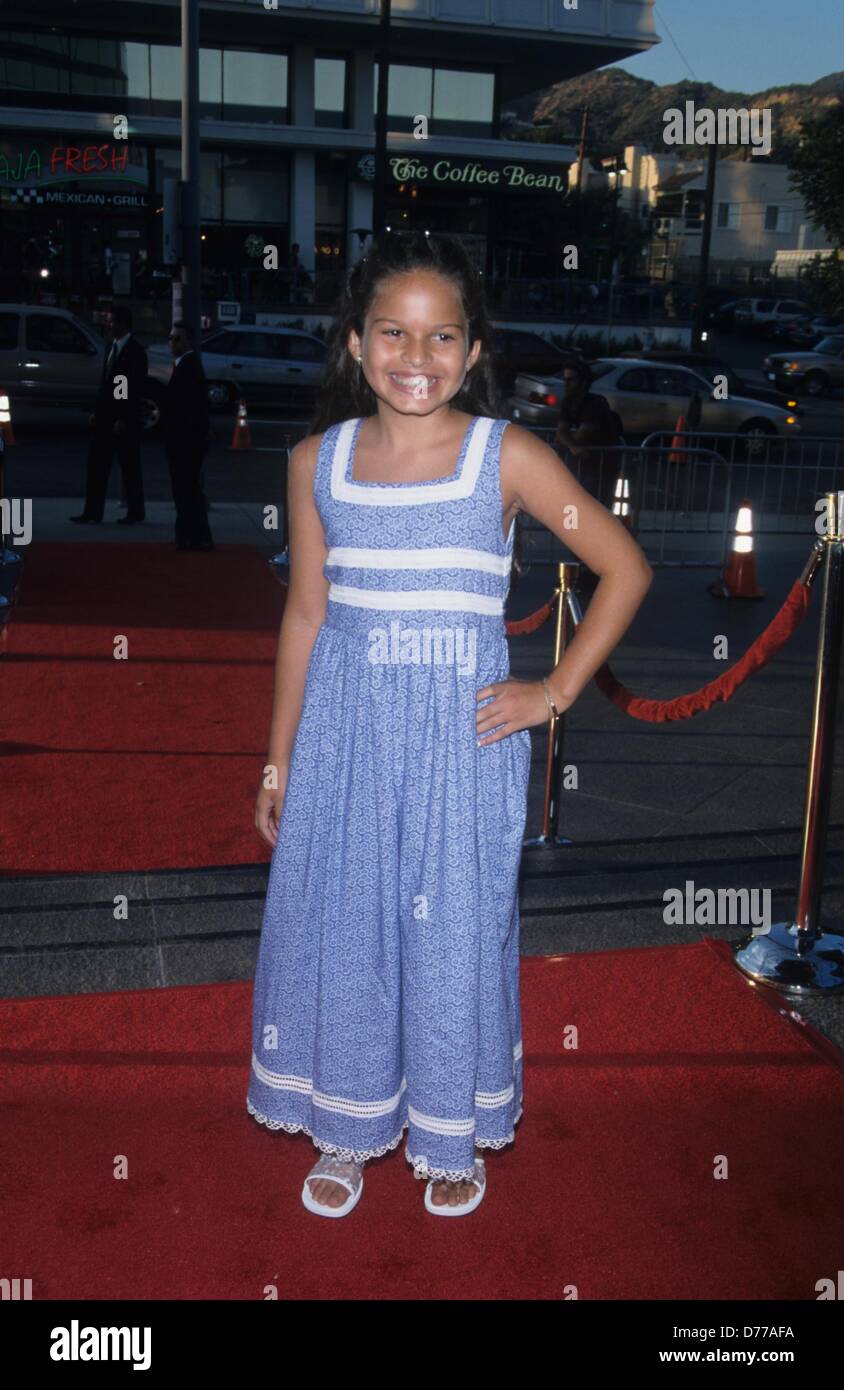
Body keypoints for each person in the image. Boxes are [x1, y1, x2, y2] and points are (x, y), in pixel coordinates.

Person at [248, 231, 653, 1218]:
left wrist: (550, 694)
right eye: (393, 332)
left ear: (473, 352)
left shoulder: (504, 455)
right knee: (347, 931)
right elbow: (305, 614)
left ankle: (446, 1130)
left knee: (452, 935)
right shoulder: (315, 462)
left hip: (459, 748)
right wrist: (277, 763)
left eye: (441, 337)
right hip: (345, 747)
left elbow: (625, 567)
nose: (415, 358)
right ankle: (347, 1125)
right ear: (355, 342)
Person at [70, 305, 147, 525]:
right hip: (106, 418)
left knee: (129, 468)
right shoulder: (111, 348)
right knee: (97, 468)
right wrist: (98, 411)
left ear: (123, 324)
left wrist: (122, 417)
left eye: (112, 321)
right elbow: (107, 385)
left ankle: (135, 512)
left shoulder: (134, 352)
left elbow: (128, 390)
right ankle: (92, 511)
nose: (109, 325)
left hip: (121, 421)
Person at [161, 321, 214, 552]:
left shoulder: (189, 367)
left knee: (186, 490)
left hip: (186, 442)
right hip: (185, 441)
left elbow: (190, 410)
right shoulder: (185, 365)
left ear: (189, 341)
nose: (173, 343)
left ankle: (192, 536)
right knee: (187, 490)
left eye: (177, 339)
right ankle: (191, 535)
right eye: (171, 338)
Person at [553, 357, 622, 511]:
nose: (566, 384)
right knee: (575, 506)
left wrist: (567, 443)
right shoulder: (568, 402)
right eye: (565, 379)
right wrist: (572, 446)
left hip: (602, 464)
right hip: (583, 464)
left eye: (571, 380)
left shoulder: (596, 403)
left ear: (583, 383)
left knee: (592, 508)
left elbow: (583, 434)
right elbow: (561, 432)